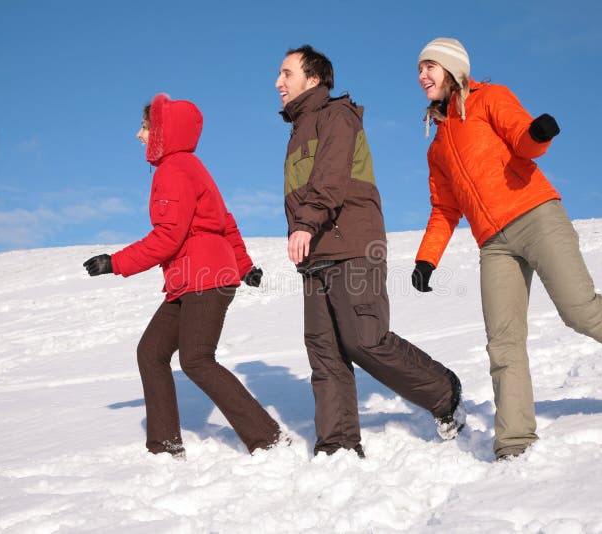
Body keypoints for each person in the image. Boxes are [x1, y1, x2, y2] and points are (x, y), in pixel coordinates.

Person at [411, 37, 602, 460]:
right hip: (494, 245)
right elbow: (445, 209)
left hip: (536, 215)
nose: (422, 76)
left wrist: (538, 135)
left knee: (580, 310)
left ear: (453, 69)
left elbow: (523, 137)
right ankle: (514, 441)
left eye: (430, 66)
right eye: (419, 69)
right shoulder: (438, 146)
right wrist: (427, 258)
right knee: (503, 340)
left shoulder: (491, 99)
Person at [275, 45, 465, 458]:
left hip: (353, 244)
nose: (278, 82)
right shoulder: (297, 132)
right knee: (324, 352)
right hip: (316, 255)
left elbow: (331, 175)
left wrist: (306, 223)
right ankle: (338, 445)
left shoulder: (336, 115)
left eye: (286, 74)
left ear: (313, 79)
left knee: (365, 339)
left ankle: (442, 390)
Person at [83, 93, 282, 458]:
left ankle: (267, 437)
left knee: (196, 360)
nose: (139, 135)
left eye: (145, 127)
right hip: (192, 279)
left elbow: (167, 237)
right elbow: (226, 222)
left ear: (161, 131)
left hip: (204, 277)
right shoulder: (192, 167)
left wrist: (115, 262)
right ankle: (165, 445)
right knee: (151, 352)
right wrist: (243, 266)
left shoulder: (173, 170)